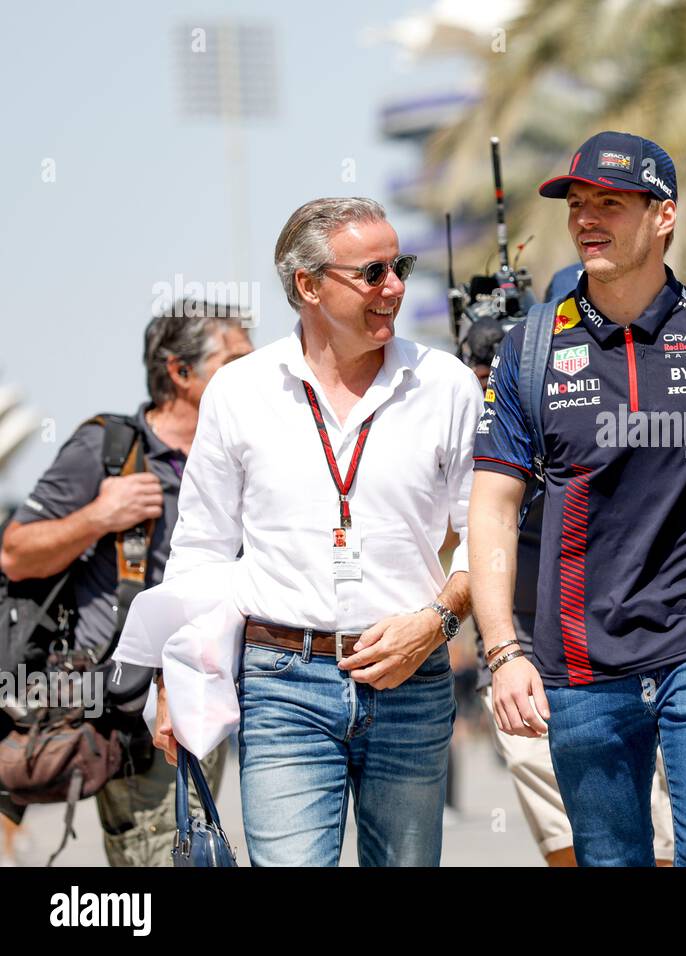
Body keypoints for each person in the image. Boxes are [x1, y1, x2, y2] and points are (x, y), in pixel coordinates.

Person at [470, 131, 686, 867]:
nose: (587, 220)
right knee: (610, 861)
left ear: (664, 216)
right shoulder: (532, 348)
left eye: (610, 203)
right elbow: (494, 507)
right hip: (580, 663)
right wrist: (503, 651)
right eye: (577, 205)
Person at [150, 197, 481, 866]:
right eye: (373, 272)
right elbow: (202, 550)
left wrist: (439, 621)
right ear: (307, 284)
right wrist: (176, 683)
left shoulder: (446, 385)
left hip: (411, 681)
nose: (394, 287)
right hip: (281, 684)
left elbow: (490, 537)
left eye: (401, 266)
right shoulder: (239, 392)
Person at [0, 303, 251, 865]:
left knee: (197, 849)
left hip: (222, 693)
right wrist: (99, 515)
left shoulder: (241, 453)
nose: (251, 373)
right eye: (234, 361)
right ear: (180, 374)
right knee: (162, 857)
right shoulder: (110, 450)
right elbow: (15, 553)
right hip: (133, 709)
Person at [464, 275, 675, 867]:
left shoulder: (633, 405)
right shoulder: (492, 397)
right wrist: (482, 385)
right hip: (525, 657)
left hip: (630, 649)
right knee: (573, 847)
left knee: (660, 841)